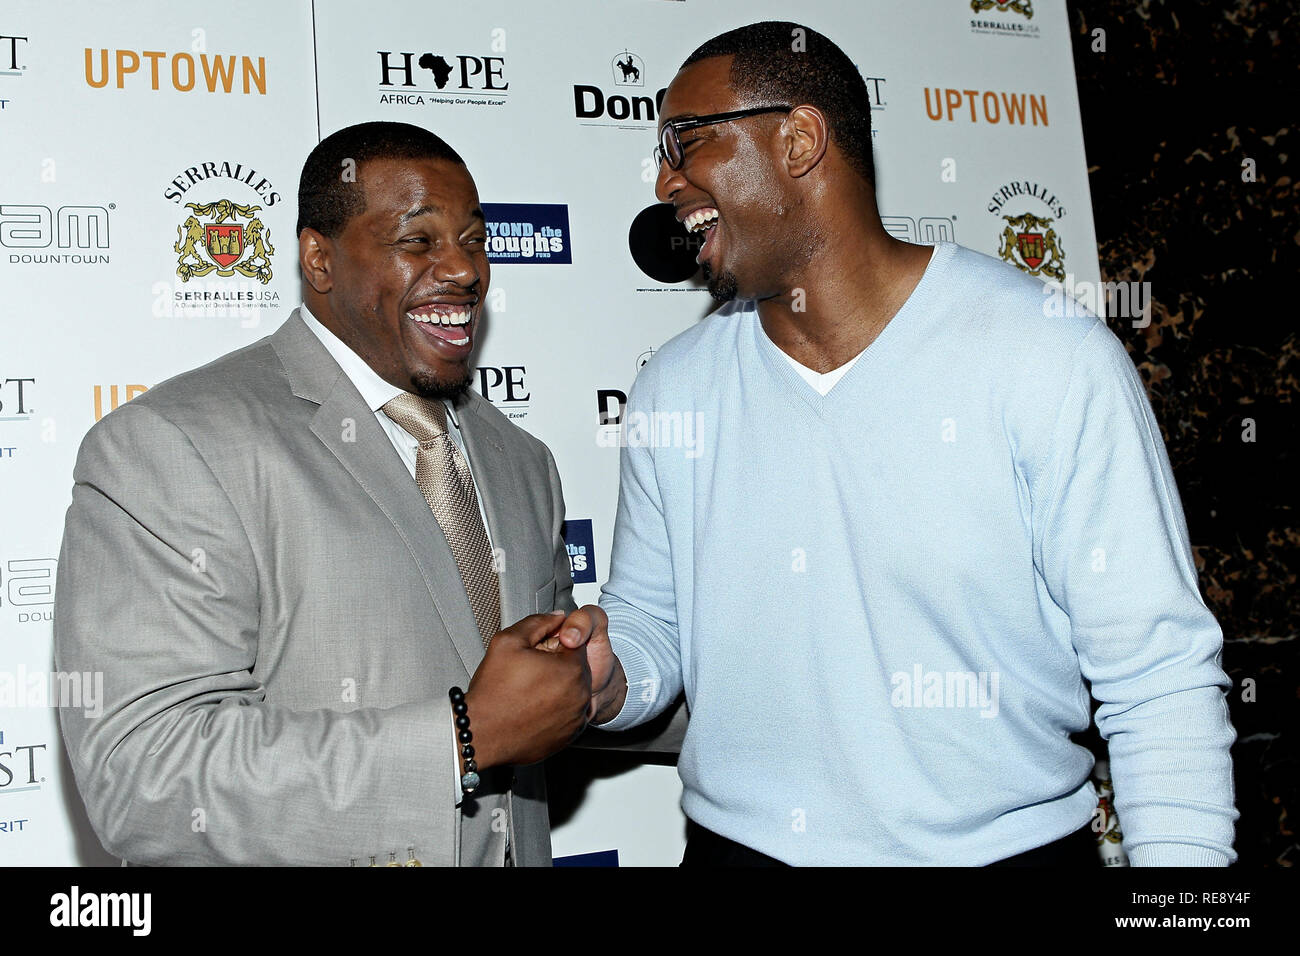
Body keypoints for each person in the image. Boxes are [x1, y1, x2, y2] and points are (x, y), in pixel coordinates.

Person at [557, 22, 1238, 865]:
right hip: (737, 853)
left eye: (684, 142)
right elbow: (653, 623)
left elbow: (1158, 678)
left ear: (800, 140)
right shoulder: (675, 386)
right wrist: (604, 675)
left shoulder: (1046, 356)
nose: (665, 180)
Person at [54, 121, 595, 866]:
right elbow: (147, 777)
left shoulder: (519, 459)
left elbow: (539, 695)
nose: (464, 269)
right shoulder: (174, 444)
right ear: (319, 258)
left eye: (474, 239)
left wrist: (590, 678)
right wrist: (463, 738)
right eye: (418, 241)